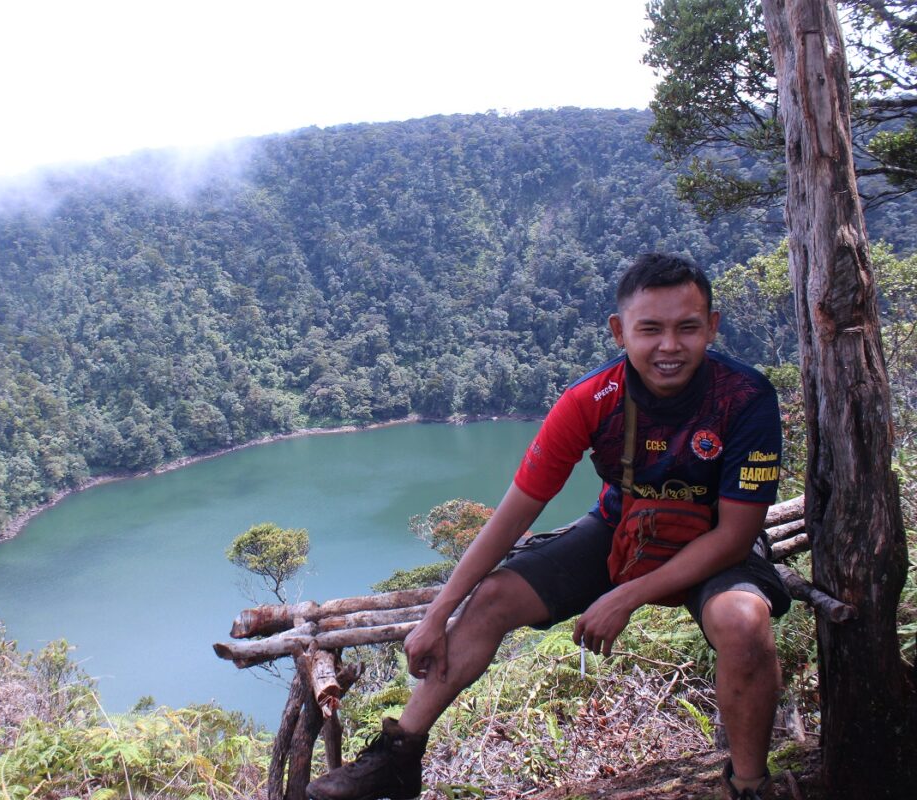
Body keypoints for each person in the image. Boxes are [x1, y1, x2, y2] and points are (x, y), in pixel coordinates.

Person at [307, 253, 790, 800]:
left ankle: (749, 785)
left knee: (743, 622)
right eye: (650, 329)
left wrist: (626, 596)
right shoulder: (593, 400)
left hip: (711, 544)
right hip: (621, 531)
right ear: (619, 332)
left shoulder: (745, 398)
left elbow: (734, 534)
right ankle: (394, 760)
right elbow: (516, 513)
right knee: (491, 599)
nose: (669, 347)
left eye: (688, 328)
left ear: (713, 326)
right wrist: (439, 613)